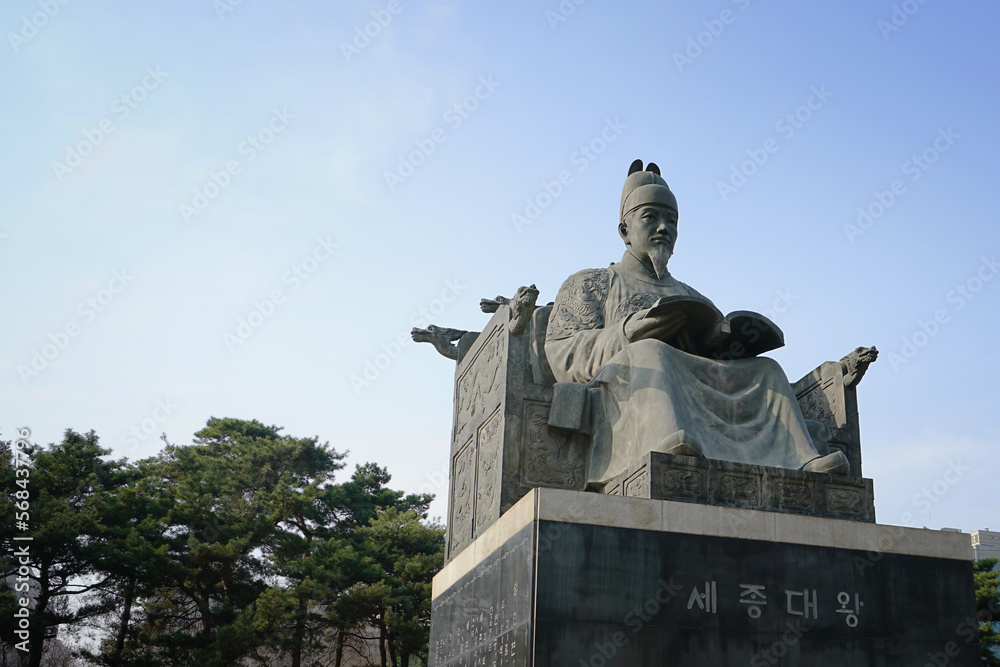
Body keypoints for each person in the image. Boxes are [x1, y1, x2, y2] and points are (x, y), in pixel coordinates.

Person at [544, 160, 848, 486]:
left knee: (767, 370)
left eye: (671, 221)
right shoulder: (592, 283)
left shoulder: (689, 295)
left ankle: (799, 460)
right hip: (627, 389)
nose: (664, 228)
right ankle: (664, 444)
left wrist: (729, 344)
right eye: (651, 217)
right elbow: (562, 351)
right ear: (624, 230)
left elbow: (717, 354)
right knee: (651, 352)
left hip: (697, 381)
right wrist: (627, 332)